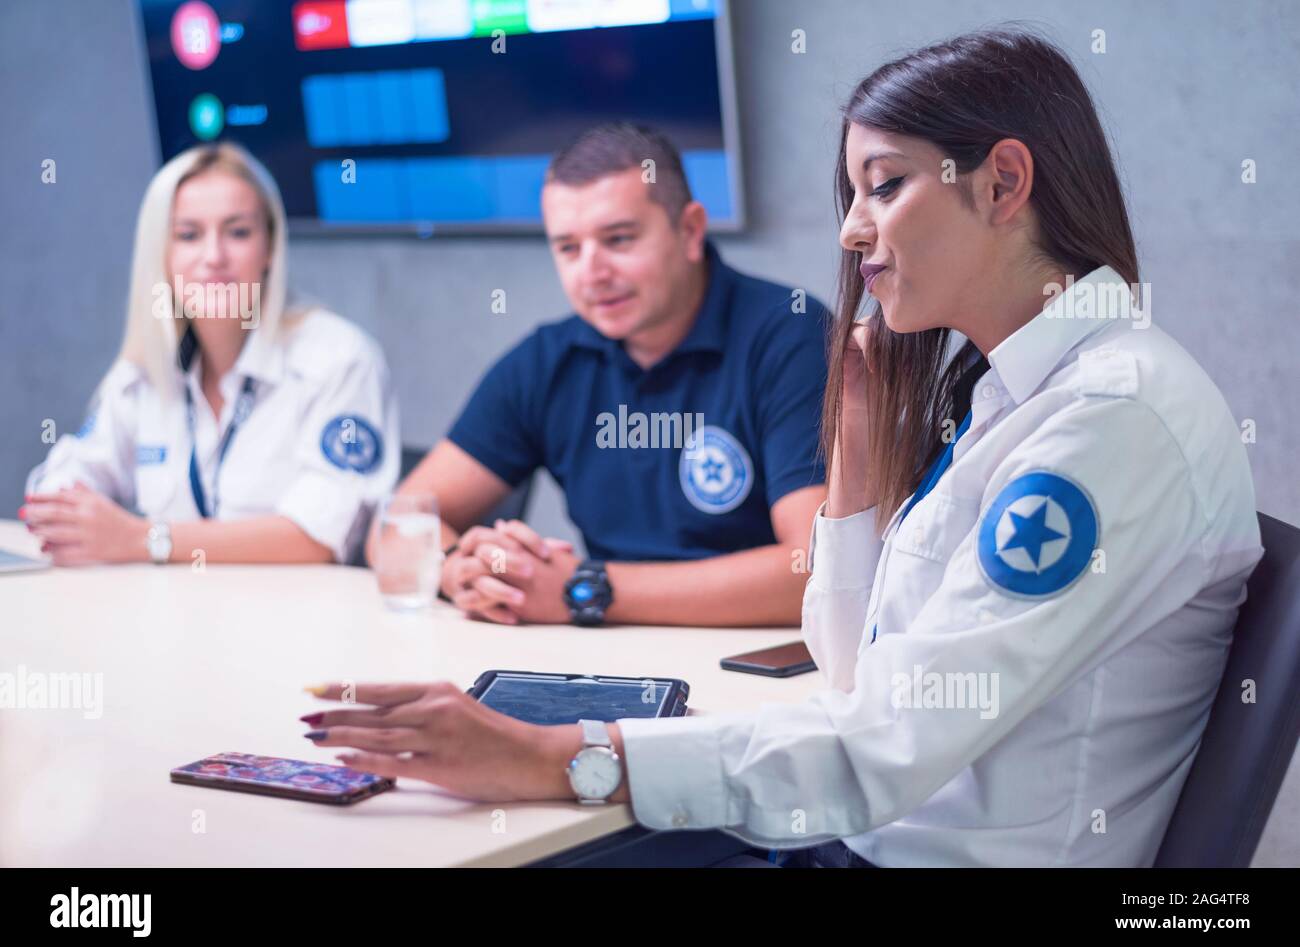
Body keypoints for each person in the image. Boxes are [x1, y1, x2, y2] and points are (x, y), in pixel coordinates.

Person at [301, 29, 1262, 866]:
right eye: (853, 193)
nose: (850, 231)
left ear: (1004, 182)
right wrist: (853, 443)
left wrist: (564, 757)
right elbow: (853, 679)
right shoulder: (1011, 395)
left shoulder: (1108, 419)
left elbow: (883, 744)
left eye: (883, 186)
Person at [372, 123, 828, 627]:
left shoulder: (793, 335)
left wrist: (585, 589)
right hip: (602, 658)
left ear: (690, 231)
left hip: (755, 664)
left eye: (618, 239)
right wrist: (463, 570)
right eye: (568, 248)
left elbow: (814, 570)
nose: (591, 271)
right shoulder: (548, 360)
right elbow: (398, 529)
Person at [23, 142, 398, 566]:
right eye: (189, 235)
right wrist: (63, 510)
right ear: (161, 254)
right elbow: (69, 476)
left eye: (238, 232)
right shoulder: (148, 367)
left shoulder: (339, 359)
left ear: (270, 248)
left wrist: (144, 539)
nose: (214, 257)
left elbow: (316, 538)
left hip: (299, 622)